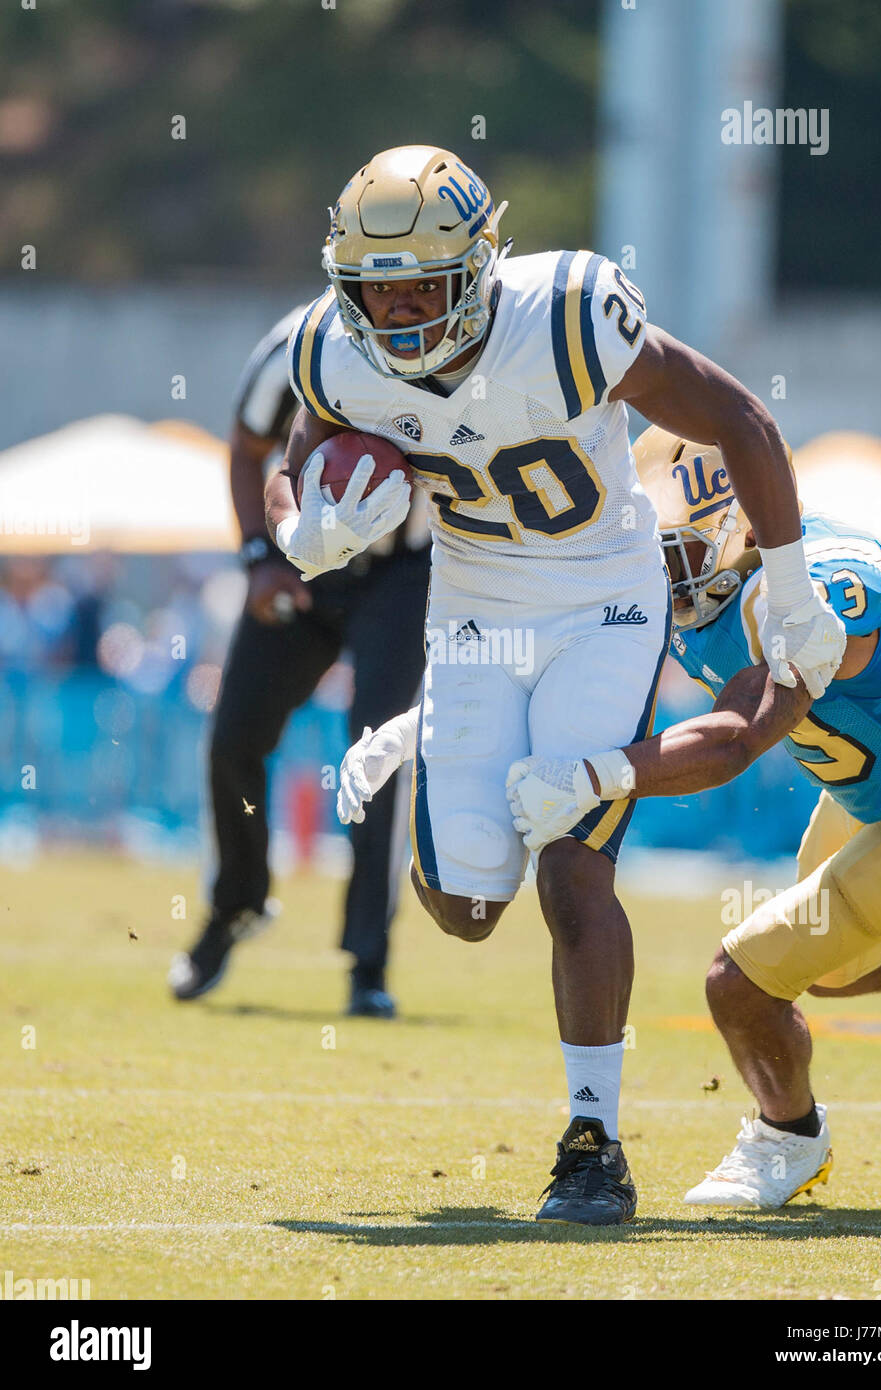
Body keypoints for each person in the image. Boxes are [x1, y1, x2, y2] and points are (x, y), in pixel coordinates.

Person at [266, 145, 846, 1225]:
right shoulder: (334, 351)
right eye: (375, 289)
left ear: (481, 267)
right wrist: (301, 530)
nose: (393, 312)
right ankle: (425, 727)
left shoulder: (569, 314)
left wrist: (793, 583)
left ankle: (594, 1145)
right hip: (476, 606)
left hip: (604, 599)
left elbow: (741, 420)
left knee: (572, 862)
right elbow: (291, 452)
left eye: (419, 286)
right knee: (466, 904)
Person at [501, 425, 881, 1208]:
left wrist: (594, 778)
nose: (662, 576)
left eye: (675, 552)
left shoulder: (824, 581)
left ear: (740, 522)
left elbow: (734, 739)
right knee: (839, 971)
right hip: (872, 800)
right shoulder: (707, 597)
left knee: (741, 982)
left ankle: (788, 1139)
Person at [168, 306, 430, 1017]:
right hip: (302, 564)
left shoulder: (446, 348)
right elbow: (248, 445)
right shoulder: (296, 344)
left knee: (375, 753)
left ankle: (366, 962)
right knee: (233, 739)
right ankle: (237, 903)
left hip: (401, 574)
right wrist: (258, 556)